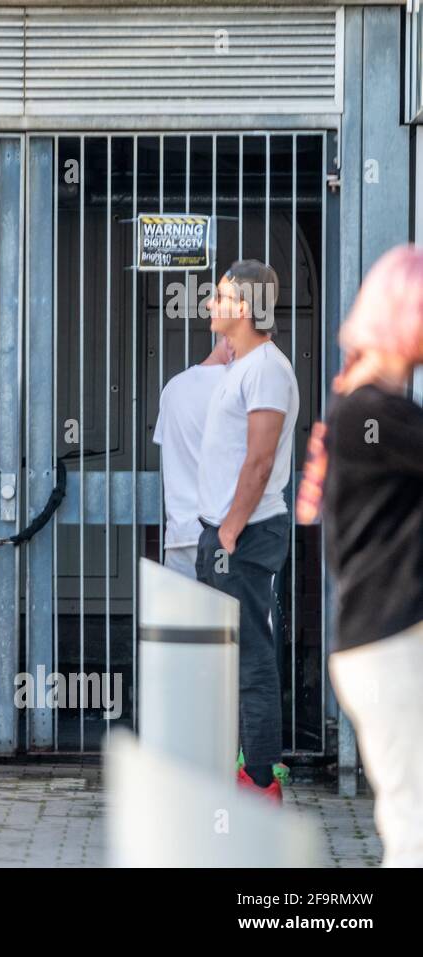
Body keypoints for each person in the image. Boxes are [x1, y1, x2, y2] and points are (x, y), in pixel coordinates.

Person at [300, 244, 423, 865]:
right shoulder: (373, 417)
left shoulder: (367, 412)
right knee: (414, 825)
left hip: (380, 641)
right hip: (390, 641)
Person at [194, 260, 299, 802]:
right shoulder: (245, 364)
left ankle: (260, 781)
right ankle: (240, 768)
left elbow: (259, 463)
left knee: (252, 658)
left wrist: (230, 531)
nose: (210, 304)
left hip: (245, 535)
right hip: (226, 534)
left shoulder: (267, 371)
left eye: (220, 297)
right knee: (229, 658)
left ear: (246, 307)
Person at [153, 336, 232, 578]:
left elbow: (171, 451)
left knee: (182, 617)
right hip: (227, 538)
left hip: (180, 537)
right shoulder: (242, 387)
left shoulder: (173, 388)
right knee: (236, 616)